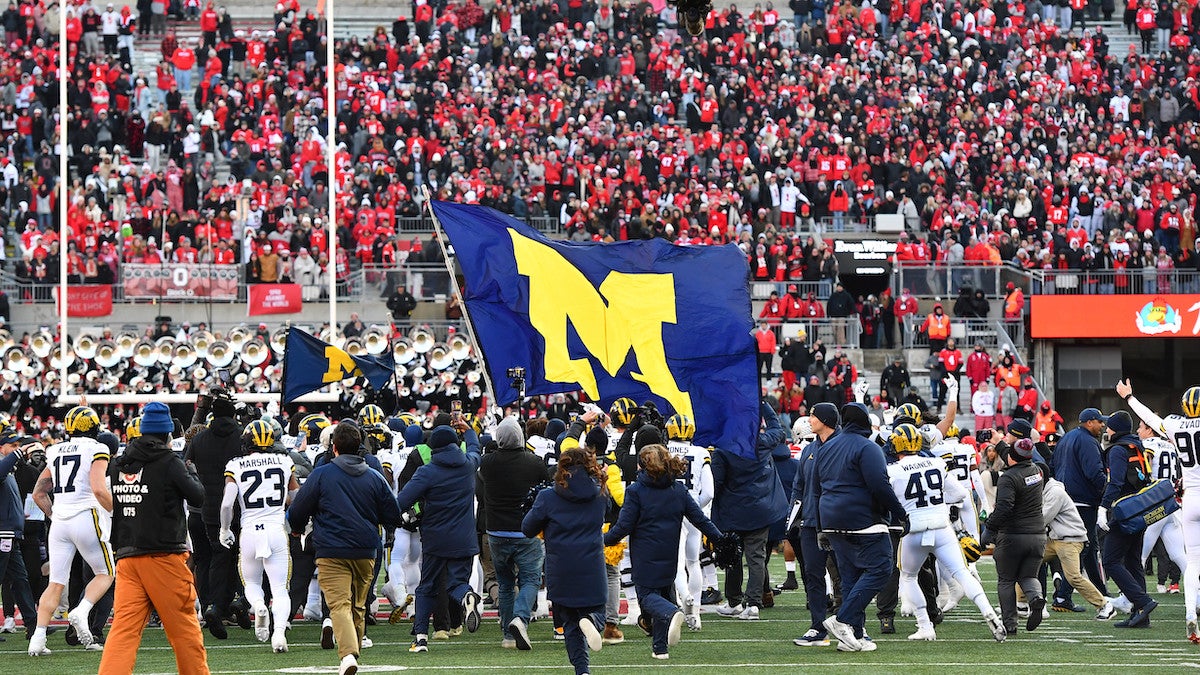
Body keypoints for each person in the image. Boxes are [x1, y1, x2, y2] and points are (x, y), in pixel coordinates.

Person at [99, 401, 208, 675]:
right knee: (184, 630)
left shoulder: (119, 463)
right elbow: (198, 496)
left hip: (127, 556)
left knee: (123, 631)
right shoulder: (170, 462)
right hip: (163, 557)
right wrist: (190, 469)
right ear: (166, 433)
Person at [288, 422, 403, 675]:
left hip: (332, 549)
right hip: (365, 549)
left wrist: (297, 529)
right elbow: (394, 514)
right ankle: (353, 650)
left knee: (339, 604)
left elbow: (297, 511)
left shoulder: (322, 474)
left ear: (334, 448)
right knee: (358, 605)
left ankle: (349, 655)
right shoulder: (374, 476)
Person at [886, 424, 1006, 642]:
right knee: (962, 572)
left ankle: (924, 625)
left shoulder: (892, 471)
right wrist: (939, 503)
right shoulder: (936, 463)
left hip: (914, 530)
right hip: (941, 527)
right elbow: (960, 493)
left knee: (909, 576)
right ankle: (988, 610)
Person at [603, 444, 722, 660]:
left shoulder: (635, 491)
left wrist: (603, 541)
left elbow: (624, 526)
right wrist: (721, 541)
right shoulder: (677, 490)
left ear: (642, 465)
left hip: (645, 556)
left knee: (648, 598)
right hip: (669, 554)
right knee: (662, 595)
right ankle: (660, 649)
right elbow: (700, 519)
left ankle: (673, 611)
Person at [813, 402, 908, 652]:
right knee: (880, 569)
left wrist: (821, 526)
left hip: (831, 519)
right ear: (866, 421)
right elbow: (879, 485)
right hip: (862, 520)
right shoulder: (868, 447)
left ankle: (855, 634)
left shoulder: (826, 447)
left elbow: (816, 488)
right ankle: (843, 619)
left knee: (851, 578)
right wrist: (900, 514)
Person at [1117, 380, 1200, 641]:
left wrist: (1129, 397)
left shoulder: (1175, 425)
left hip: (1188, 501)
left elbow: (1149, 417)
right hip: (1184, 499)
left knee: (1192, 563)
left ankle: (1190, 615)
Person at [28, 407, 115, 654]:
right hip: (87, 515)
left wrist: (56, 515)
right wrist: (116, 514)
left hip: (60, 521)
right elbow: (98, 489)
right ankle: (82, 610)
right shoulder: (97, 448)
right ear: (95, 427)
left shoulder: (54, 450)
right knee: (106, 572)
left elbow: (39, 492)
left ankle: (38, 639)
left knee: (55, 582)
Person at [395, 420, 484, 654]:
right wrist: (469, 430)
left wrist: (384, 514)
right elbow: (475, 449)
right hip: (464, 538)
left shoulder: (427, 472)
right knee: (457, 584)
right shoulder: (467, 465)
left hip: (435, 538)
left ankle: (421, 638)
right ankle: (467, 597)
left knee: (426, 587)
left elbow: (402, 501)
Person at [522, 447, 609, 675]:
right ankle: (591, 621)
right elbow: (607, 512)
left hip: (561, 568)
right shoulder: (600, 492)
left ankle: (582, 670)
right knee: (597, 611)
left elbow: (527, 528)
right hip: (591, 564)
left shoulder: (548, 496)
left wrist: (536, 507)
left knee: (570, 622)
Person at [219, 420, 298, 653]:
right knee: (281, 588)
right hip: (275, 529)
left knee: (252, 583)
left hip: (250, 531)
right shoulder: (284, 461)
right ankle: (280, 633)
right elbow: (295, 496)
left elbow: (226, 504)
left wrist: (225, 529)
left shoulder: (236, 465)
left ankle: (259, 606)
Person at [478, 417, 552, 650]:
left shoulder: (487, 463)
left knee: (505, 583)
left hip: (496, 532)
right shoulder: (535, 462)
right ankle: (520, 617)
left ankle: (508, 635)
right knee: (530, 578)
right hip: (525, 531)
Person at [711, 400, 788, 621]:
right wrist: (762, 404)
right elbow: (777, 428)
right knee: (756, 557)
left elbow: (716, 483)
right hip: (760, 509)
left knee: (733, 556)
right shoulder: (761, 442)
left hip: (733, 511)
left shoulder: (723, 448)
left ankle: (735, 601)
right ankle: (753, 604)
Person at [184, 390, 248, 638]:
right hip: (240, 507)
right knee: (231, 559)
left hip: (208, 507)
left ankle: (212, 604)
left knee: (210, 559)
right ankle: (223, 605)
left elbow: (186, 461)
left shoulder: (199, 440)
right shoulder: (242, 436)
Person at [981, 437, 1046, 637]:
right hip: (1037, 535)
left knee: (1006, 580)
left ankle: (1010, 624)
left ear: (1012, 457)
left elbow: (1004, 508)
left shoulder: (1009, 478)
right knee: (1028, 576)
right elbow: (1017, 456)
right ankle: (1035, 598)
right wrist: (998, 440)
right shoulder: (1037, 471)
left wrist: (989, 529)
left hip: (1013, 536)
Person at [1098, 410, 1158, 629]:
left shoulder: (1117, 450)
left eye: (1110, 426)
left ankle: (1143, 602)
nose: (1107, 429)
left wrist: (1103, 508)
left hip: (1123, 511)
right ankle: (1141, 615)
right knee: (1133, 561)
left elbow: (1115, 482)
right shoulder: (1137, 445)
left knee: (1111, 561)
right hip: (1139, 509)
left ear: (1117, 429)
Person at [790, 403, 841, 647]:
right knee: (813, 574)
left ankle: (852, 624)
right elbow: (798, 486)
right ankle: (818, 626)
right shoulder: (809, 449)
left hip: (838, 522)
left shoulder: (843, 445)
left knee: (845, 574)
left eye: (813, 415)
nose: (809, 418)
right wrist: (793, 516)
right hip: (810, 522)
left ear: (825, 419)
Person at [1049, 407, 1110, 609]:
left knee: (1089, 546)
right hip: (1082, 502)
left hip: (1065, 500)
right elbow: (1094, 473)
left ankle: (1100, 589)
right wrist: (1107, 493)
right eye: (1100, 422)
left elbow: (1053, 467)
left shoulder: (1066, 438)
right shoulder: (1088, 442)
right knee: (1082, 548)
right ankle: (1063, 596)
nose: (1102, 425)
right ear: (1089, 422)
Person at [1039, 460, 1116, 621]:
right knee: (1027, 560)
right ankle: (1021, 603)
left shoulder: (1055, 493)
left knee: (1073, 576)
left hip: (1070, 539)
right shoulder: (1044, 489)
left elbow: (1042, 518)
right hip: (1055, 538)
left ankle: (1104, 605)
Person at [665, 414, 714, 630]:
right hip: (693, 509)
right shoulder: (701, 452)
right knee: (693, 562)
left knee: (675, 562)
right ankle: (696, 610)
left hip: (668, 510)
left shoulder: (662, 451)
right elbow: (710, 492)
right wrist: (695, 509)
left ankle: (684, 600)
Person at [0, 431, 41, 643]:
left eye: (18, 444)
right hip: (2, 533)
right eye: (12, 444)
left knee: (20, 579)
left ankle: (33, 624)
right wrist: (17, 454)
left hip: (11, 533)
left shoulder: (10, 471)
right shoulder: (4, 467)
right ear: (1, 448)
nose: (17, 447)